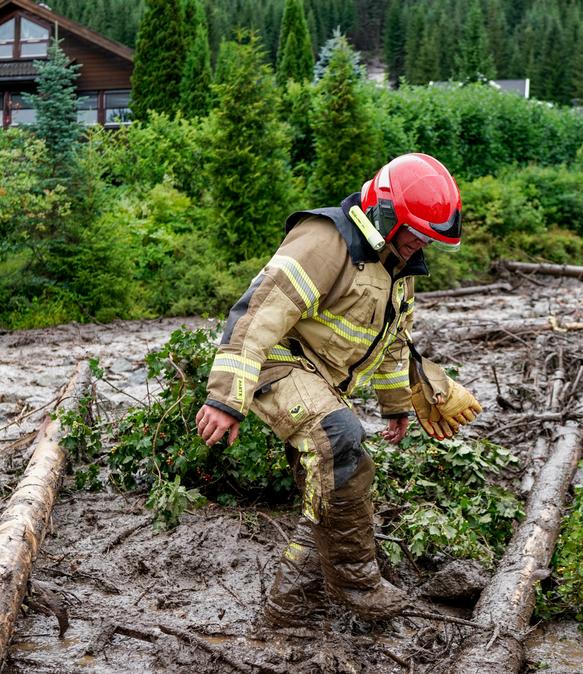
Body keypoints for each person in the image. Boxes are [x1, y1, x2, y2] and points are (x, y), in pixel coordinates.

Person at [195, 153, 483, 626]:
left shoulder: (397, 266)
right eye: (415, 233)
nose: (419, 244)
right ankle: (355, 583)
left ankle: (289, 607)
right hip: (277, 363)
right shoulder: (324, 241)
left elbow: (394, 341)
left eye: (428, 238)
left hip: (321, 381)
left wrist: (396, 405)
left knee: (337, 477)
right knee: (340, 438)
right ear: (385, 213)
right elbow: (255, 315)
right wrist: (226, 399)